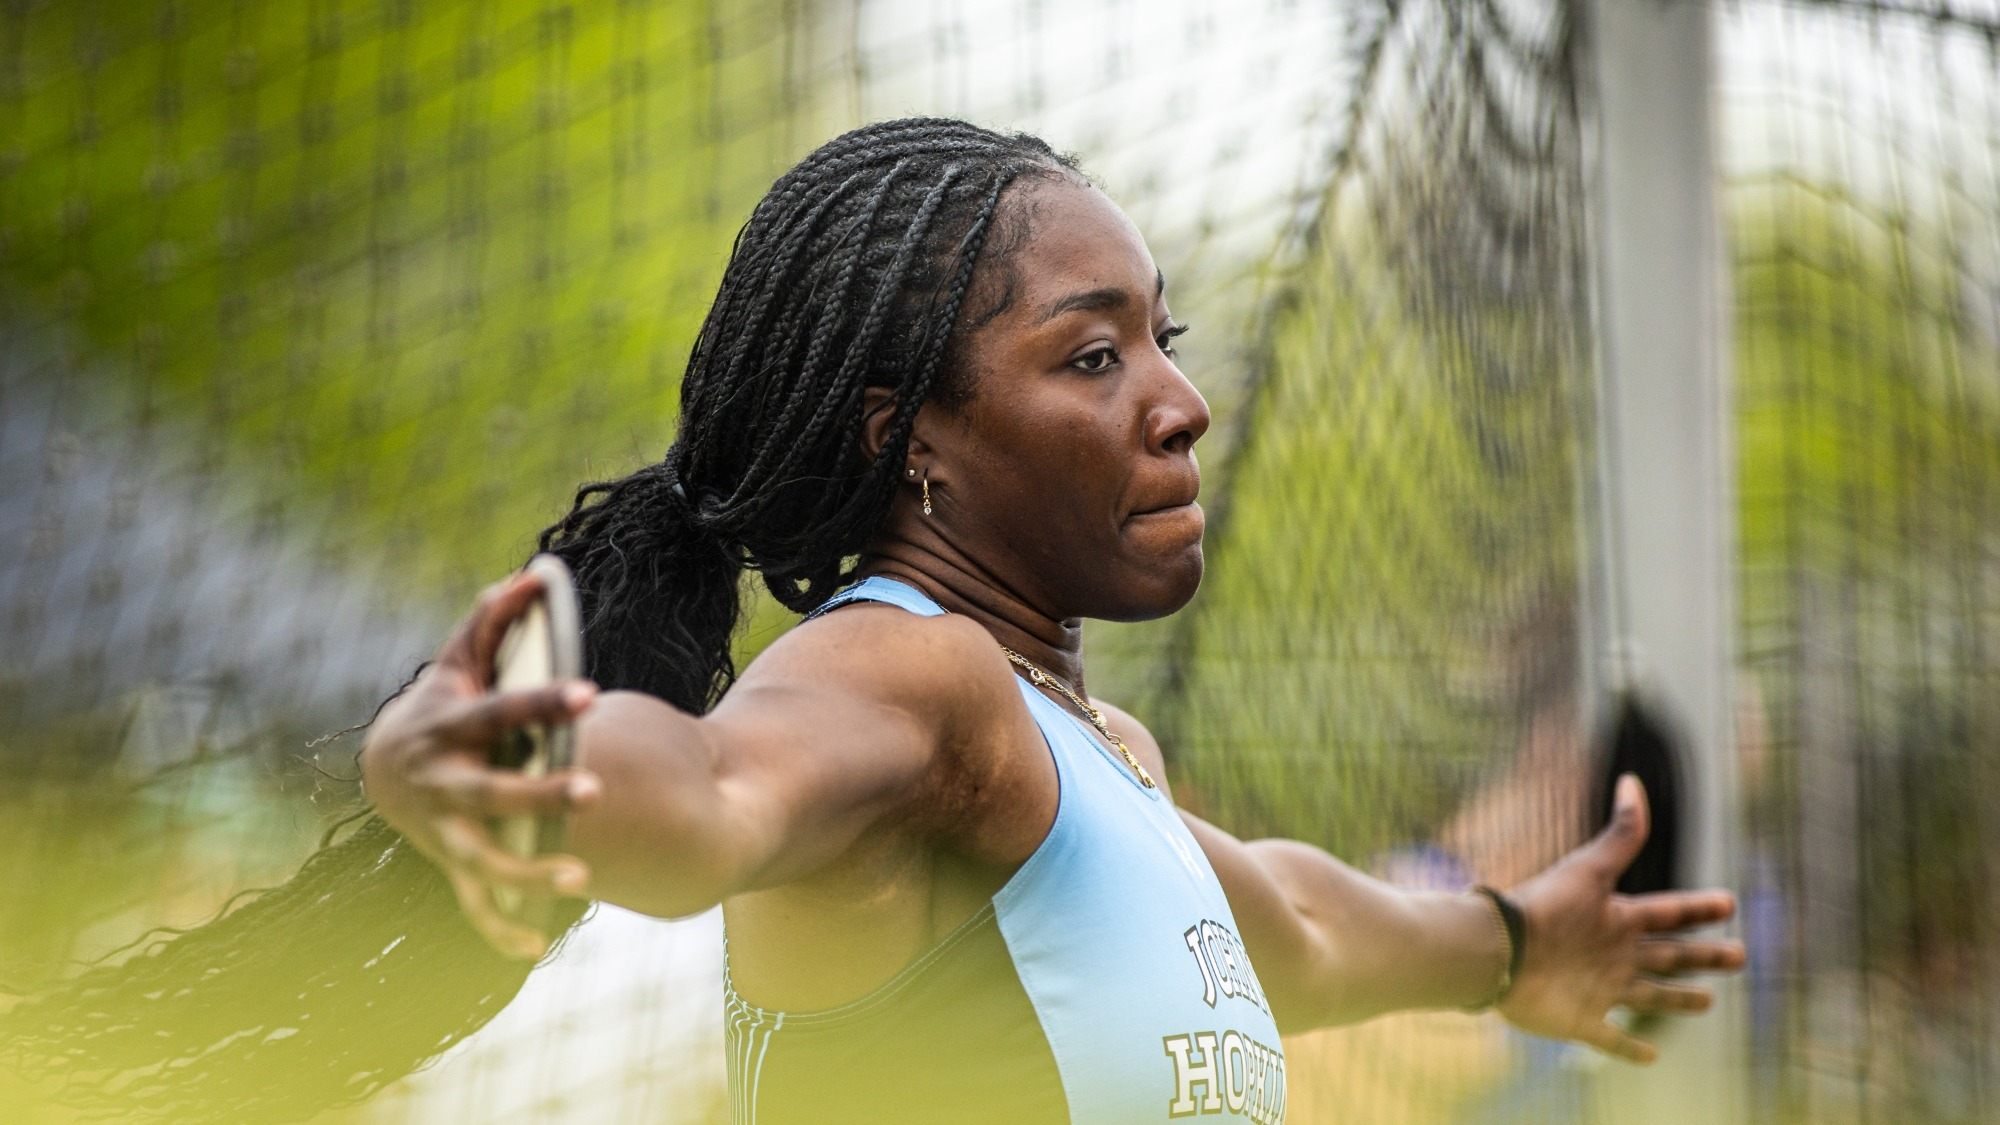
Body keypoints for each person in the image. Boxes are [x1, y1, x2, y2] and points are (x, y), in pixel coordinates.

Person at [2, 119, 1742, 1125]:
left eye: (1164, 335)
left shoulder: (1092, 755)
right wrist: (524, 767)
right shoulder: (911, 674)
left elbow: (1287, 913)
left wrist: (1524, 942)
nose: (1179, 400)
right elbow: (714, 790)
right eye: (1090, 353)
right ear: (900, 434)